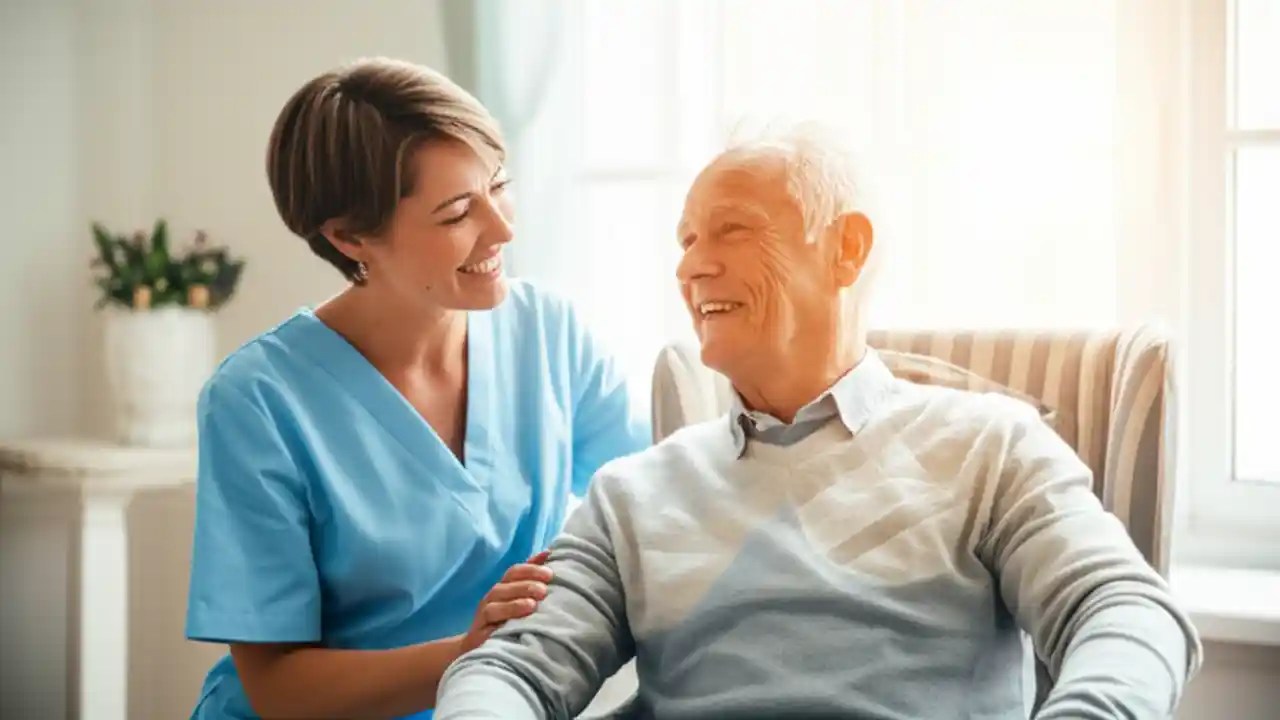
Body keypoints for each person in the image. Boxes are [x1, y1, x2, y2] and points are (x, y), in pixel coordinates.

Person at [433, 126, 1203, 719]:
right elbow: (510, 669)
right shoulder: (631, 493)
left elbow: (1126, 611)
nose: (691, 266)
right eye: (687, 240)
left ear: (846, 249)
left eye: (732, 230)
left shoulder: (990, 446)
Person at [183, 57, 650, 719]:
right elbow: (278, 688)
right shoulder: (257, 400)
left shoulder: (549, 333)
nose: (503, 229)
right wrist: (470, 654)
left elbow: (655, 502)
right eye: (457, 213)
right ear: (350, 236)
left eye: (499, 185)